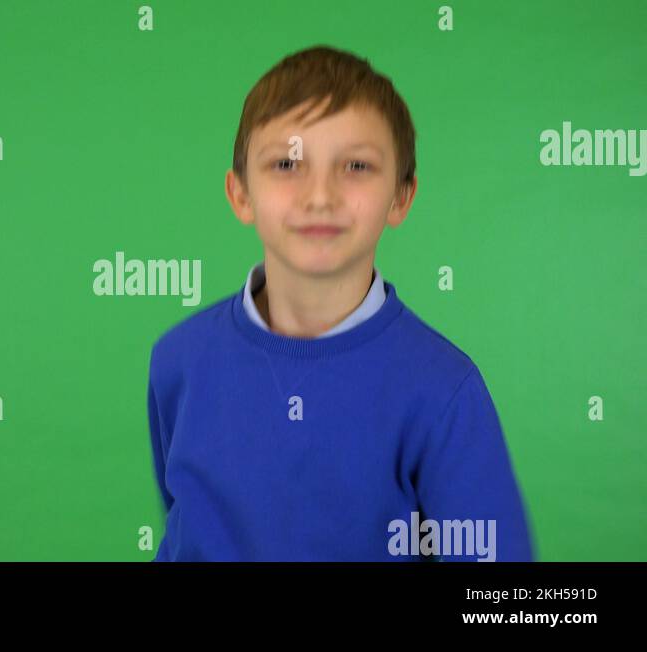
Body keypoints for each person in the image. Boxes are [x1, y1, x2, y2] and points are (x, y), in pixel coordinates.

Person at [146, 45, 533, 561]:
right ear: (240, 194)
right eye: (286, 163)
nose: (320, 195)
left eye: (355, 165)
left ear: (401, 196)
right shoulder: (179, 360)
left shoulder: (443, 390)